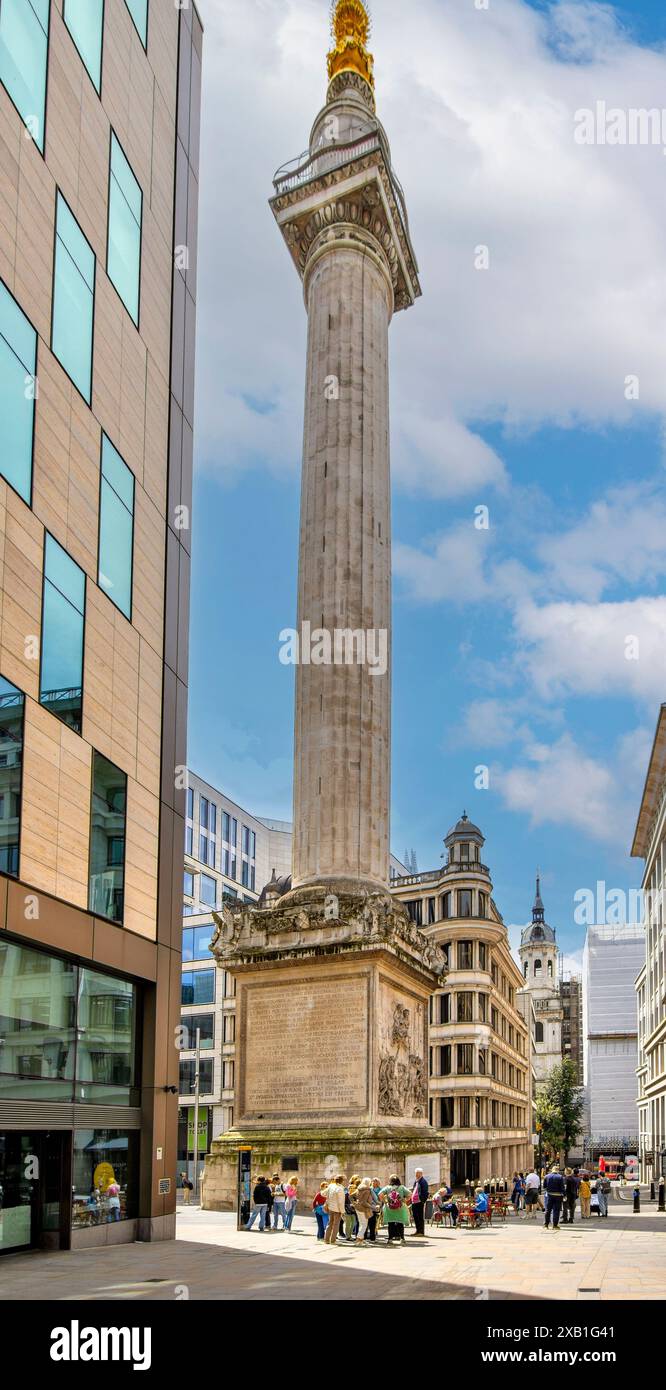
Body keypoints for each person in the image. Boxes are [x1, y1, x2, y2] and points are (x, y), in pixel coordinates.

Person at [379, 1176, 411, 1244]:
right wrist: (405, 1200)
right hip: (400, 1208)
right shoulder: (402, 1187)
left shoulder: (387, 1187)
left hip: (390, 1208)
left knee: (391, 1224)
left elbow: (380, 1194)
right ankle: (402, 1239)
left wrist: (385, 1201)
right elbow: (410, 1194)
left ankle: (390, 1239)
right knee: (400, 1223)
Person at [324, 1174, 347, 1244]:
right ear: (342, 1181)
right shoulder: (340, 1189)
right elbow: (341, 1202)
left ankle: (326, 1239)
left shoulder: (331, 1186)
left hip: (331, 1207)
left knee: (330, 1223)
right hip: (337, 1209)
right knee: (336, 1225)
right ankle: (333, 1240)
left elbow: (323, 1194)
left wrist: (328, 1201)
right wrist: (343, 1211)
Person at [352, 1178, 375, 1243]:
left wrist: (354, 1203)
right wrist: (372, 1207)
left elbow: (350, 1196)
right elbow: (364, 1202)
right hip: (363, 1209)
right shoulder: (367, 1190)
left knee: (361, 1224)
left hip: (357, 1208)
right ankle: (358, 1239)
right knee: (364, 1225)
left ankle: (361, 1240)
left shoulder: (359, 1189)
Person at [410, 1168, 429, 1236]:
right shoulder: (416, 1181)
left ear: (421, 1174)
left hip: (419, 1202)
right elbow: (414, 1190)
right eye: (416, 1174)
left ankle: (421, 1232)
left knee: (420, 1217)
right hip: (414, 1202)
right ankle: (417, 1231)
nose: (416, 1175)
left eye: (418, 1173)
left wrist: (423, 1200)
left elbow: (425, 1192)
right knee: (415, 1217)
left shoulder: (423, 1181)